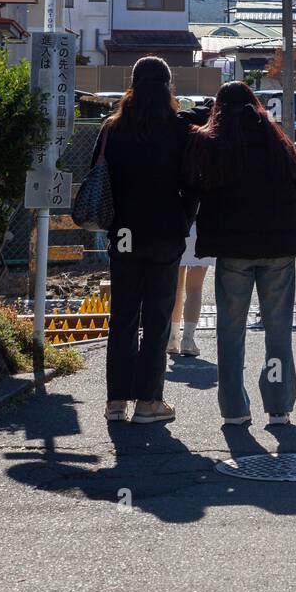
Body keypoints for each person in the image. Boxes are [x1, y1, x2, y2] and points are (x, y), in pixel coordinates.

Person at [186, 81, 296, 428]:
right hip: (278, 248)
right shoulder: (274, 138)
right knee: (278, 331)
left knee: (230, 330)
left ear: (219, 109)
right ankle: (279, 406)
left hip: (233, 251)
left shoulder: (213, 143)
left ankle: (234, 409)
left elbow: (197, 187)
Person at [95, 57, 206, 424]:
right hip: (164, 233)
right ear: (168, 86)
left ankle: (115, 403)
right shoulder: (180, 130)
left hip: (124, 233)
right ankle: (148, 402)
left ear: (133, 84)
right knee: (157, 317)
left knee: (123, 315)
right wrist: (183, 220)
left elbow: (98, 173)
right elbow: (193, 185)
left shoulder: (114, 128)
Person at [167, 223, 211, 357]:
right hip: (200, 231)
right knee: (195, 289)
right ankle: (188, 340)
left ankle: (173, 338)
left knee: (176, 288)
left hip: (176, 230)